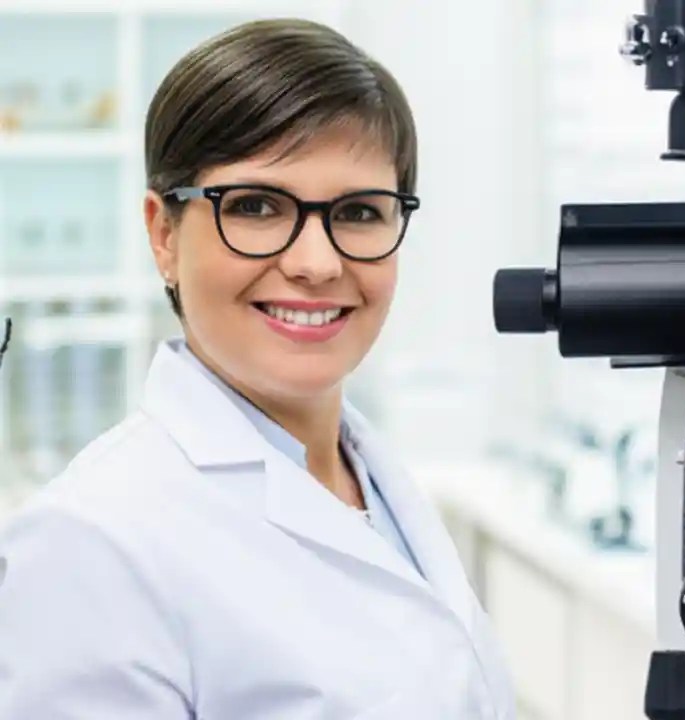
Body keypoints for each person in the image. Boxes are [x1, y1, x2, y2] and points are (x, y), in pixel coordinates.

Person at [0, 18, 515, 719]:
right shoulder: (87, 543)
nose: (316, 263)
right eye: (257, 207)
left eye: (360, 212)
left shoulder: (371, 481)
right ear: (163, 234)